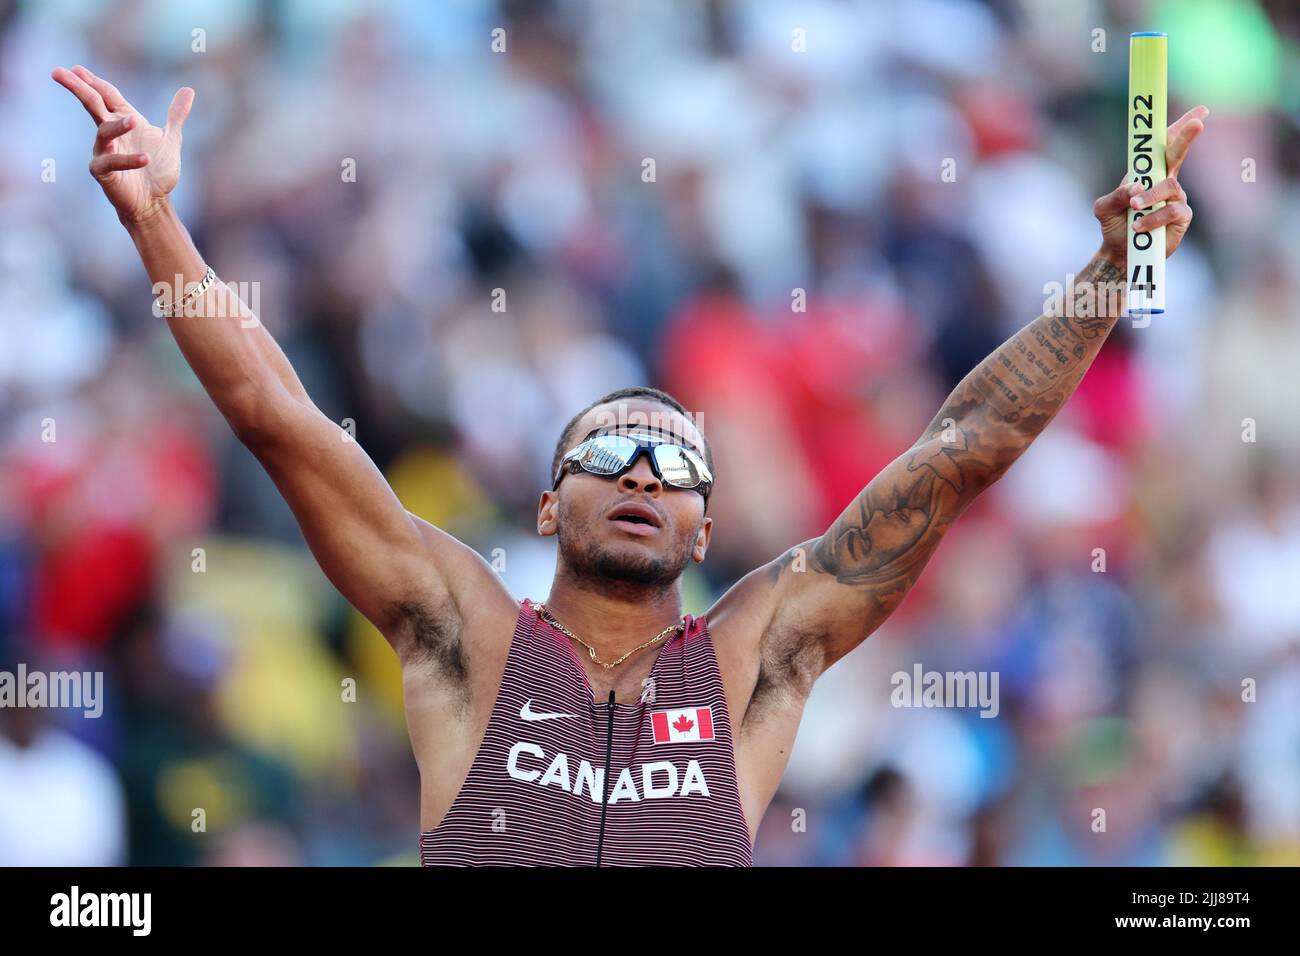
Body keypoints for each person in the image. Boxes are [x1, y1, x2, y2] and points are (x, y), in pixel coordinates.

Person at [52, 64, 1207, 866]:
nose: (646, 471)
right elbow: (277, 418)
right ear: (553, 501)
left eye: (678, 461)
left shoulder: (763, 649)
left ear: (707, 527)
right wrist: (157, 218)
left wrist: (1108, 273)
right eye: (612, 448)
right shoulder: (461, 631)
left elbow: (963, 451)